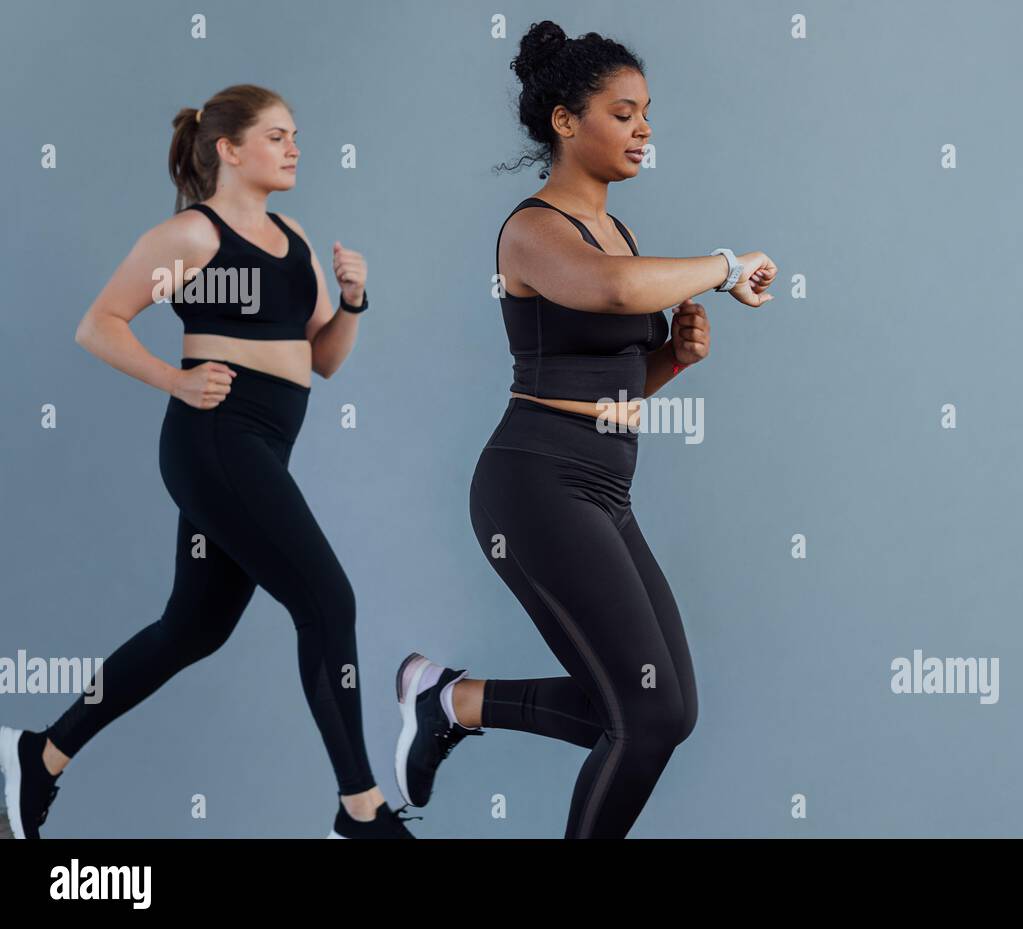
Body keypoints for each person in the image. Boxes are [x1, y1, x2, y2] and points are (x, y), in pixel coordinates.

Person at [394, 22, 777, 838]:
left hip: (605, 485)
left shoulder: (619, 232)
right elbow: (610, 291)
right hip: (534, 482)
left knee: (664, 713)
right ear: (567, 122)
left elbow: (613, 369)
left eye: (647, 115)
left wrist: (671, 361)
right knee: (640, 718)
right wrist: (724, 264)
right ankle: (447, 704)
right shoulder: (533, 230)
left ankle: (451, 703)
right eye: (623, 111)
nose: (644, 130)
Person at [0, 83, 414, 839]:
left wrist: (353, 299)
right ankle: (361, 810)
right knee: (328, 601)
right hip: (216, 441)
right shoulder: (193, 236)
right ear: (229, 148)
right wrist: (176, 378)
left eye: (297, 136)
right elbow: (100, 324)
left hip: (262, 449)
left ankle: (38, 755)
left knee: (192, 628)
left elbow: (324, 362)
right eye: (278, 135)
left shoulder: (292, 236)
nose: (295, 148)